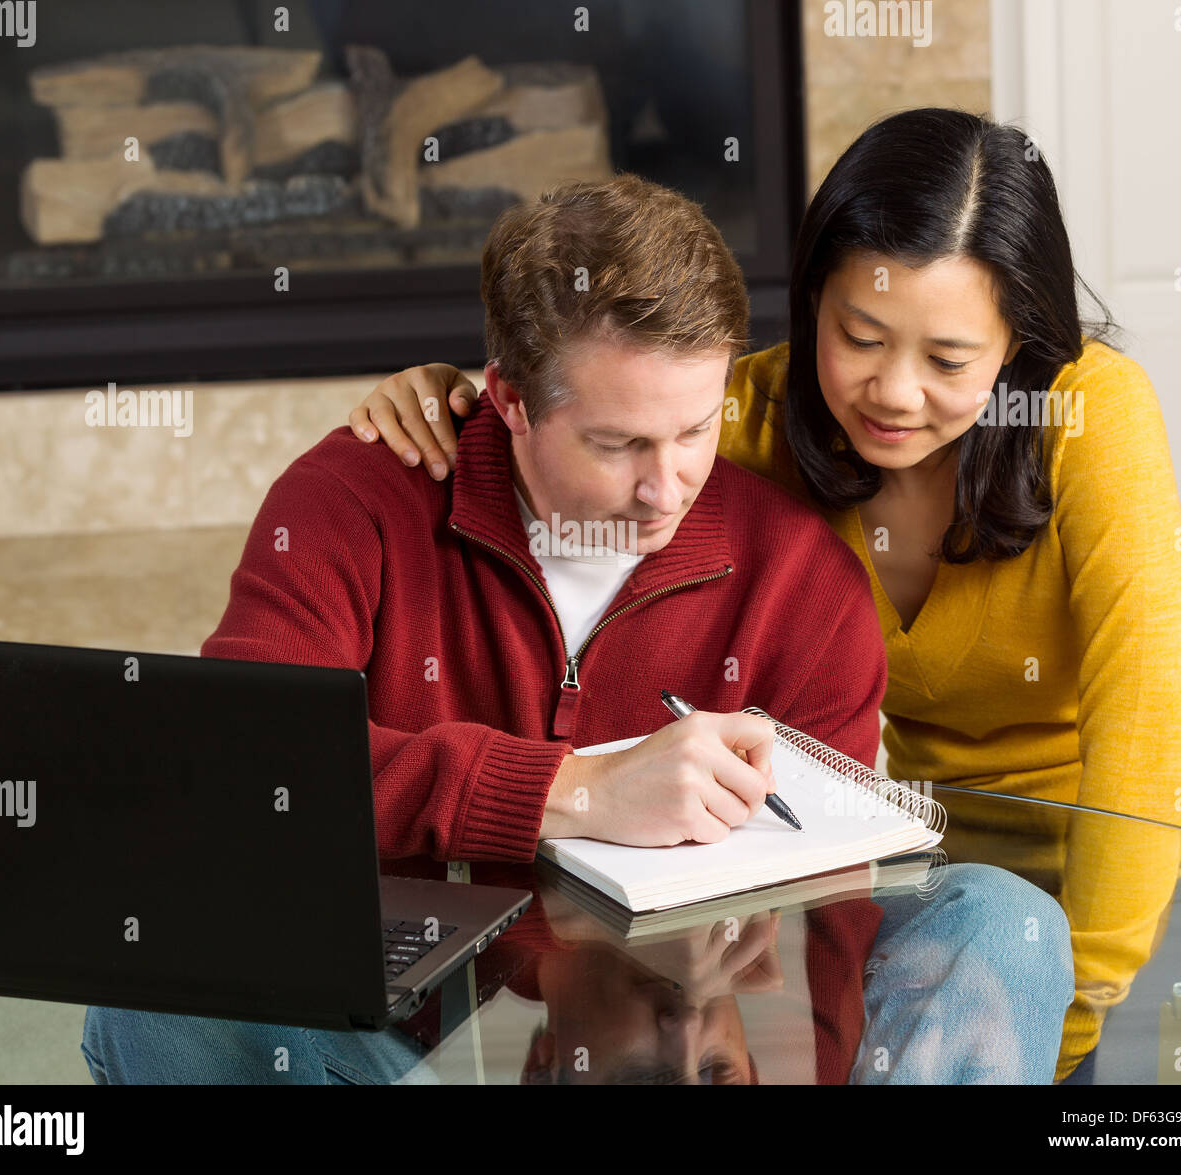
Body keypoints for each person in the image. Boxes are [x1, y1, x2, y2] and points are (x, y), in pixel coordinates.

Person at [82, 171, 1072, 1085]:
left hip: (685, 1019)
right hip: (407, 1026)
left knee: (1002, 917)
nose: (665, 484)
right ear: (508, 397)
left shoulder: (800, 583)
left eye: (694, 430)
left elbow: (832, 932)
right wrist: (570, 788)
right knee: (157, 994)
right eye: (616, 442)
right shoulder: (352, 502)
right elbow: (237, 772)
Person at [345, 108, 1181, 1082]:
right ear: (811, 301)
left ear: (1020, 344)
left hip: (1173, 850)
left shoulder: (1090, 417)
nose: (892, 393)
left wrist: (1071, 1013)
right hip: (946, 853)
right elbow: (590, 419)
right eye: (859, 336)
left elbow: (1142, 729)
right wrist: (453, 396)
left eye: (946, 361)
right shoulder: (745, 420)